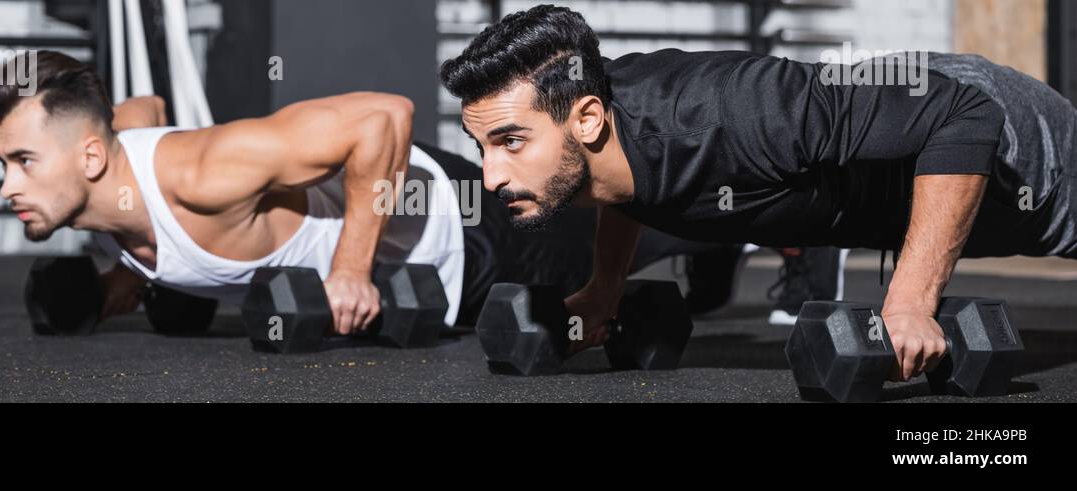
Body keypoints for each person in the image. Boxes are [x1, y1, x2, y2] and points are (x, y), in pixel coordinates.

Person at [438, 5, 1077, 380]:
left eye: (511, 142)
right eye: (482, 147)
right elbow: (625, 188)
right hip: (884, 165)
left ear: (586, 120)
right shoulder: (599, 130)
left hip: (1012, 144)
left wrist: (908, 303)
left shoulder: (741, 109)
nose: (491, 176)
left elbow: (963, 116)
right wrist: (604, 293)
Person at [0, 50, 675, 337]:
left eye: (24, 161)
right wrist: (128, 271)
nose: (9, 186)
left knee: (651, 215)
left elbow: (385, 116)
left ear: (91, 156)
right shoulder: (100, 193)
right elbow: (146, 106)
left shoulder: (205, 173)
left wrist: (349, 269)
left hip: (463, 228)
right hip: (425, 230)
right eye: (4, 163)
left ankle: (748, 220)